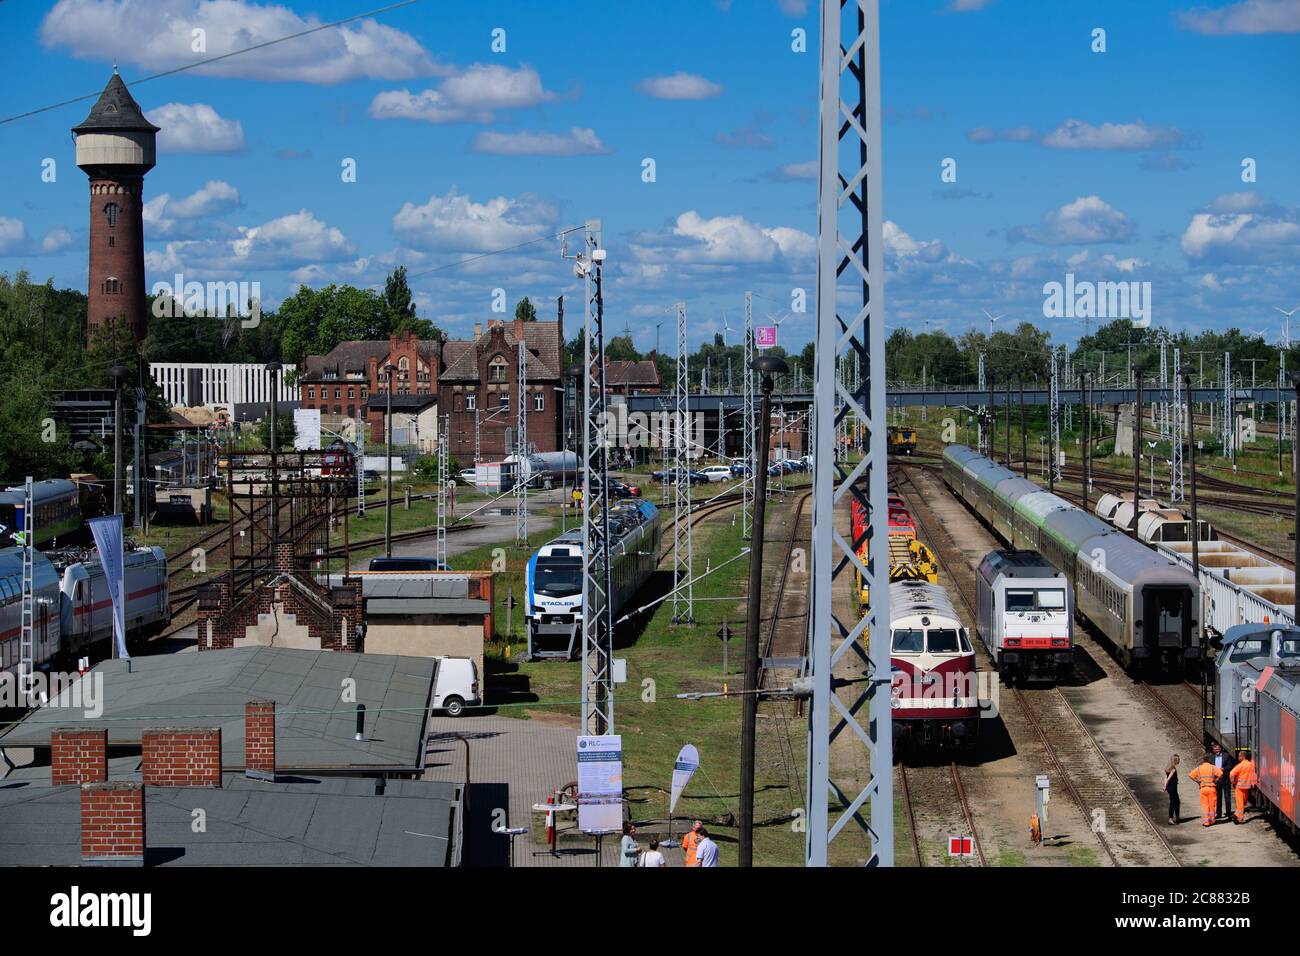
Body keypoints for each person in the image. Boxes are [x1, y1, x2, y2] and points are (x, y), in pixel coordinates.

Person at [1188, 753, 1224, 827]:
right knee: (1212, 805)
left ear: (1203, 760)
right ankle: (1212, 820)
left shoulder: (1199, 768)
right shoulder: (1213, 767)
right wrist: (1216, 780)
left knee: (1205, 806)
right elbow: (1221, 774)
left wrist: (1198, 781)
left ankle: (1206, 822)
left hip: (1203, 788)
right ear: (1210, 760)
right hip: (1212, 788)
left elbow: (1191, 775)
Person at [1229, 749, 1258, 824]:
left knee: (1240, 803)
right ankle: (1237, 815)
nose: (1238, 758)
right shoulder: (1250, 764)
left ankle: (1239, 817)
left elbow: (1231, 773)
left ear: (1242, 757)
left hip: (1239, 786)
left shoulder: (1240, 765)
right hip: (1247, 786)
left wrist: (1233, 781)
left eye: (1239, 756)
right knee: (1244, 802)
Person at [1210, 742, 1235, 821]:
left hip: (1225, 779)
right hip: (1217, 780)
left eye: (1217, 749)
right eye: (1215, 750)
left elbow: (1230, 766)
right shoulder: (1212, 757)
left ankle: (1228, 813)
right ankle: (1219, 813)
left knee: (1227, 797)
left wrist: (1224, 769)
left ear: (1220, 749)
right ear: (1213, 750)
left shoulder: (1226, 756)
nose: (1216, 751)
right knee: (1218, 797)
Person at [1163, 754, 1181, 825]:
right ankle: (1170, 818)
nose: (1179, 761)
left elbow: (1165, 778)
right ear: (1175, 761)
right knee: (1173, 802)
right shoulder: (1173, 769)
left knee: (1177, 802)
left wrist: (1165, 786)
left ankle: (1177, 817)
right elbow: (1168, 778)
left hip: (1170, 788)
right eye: (1178, 760)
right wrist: (1165, 786)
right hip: (1173, 787)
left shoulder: (1167, 768)